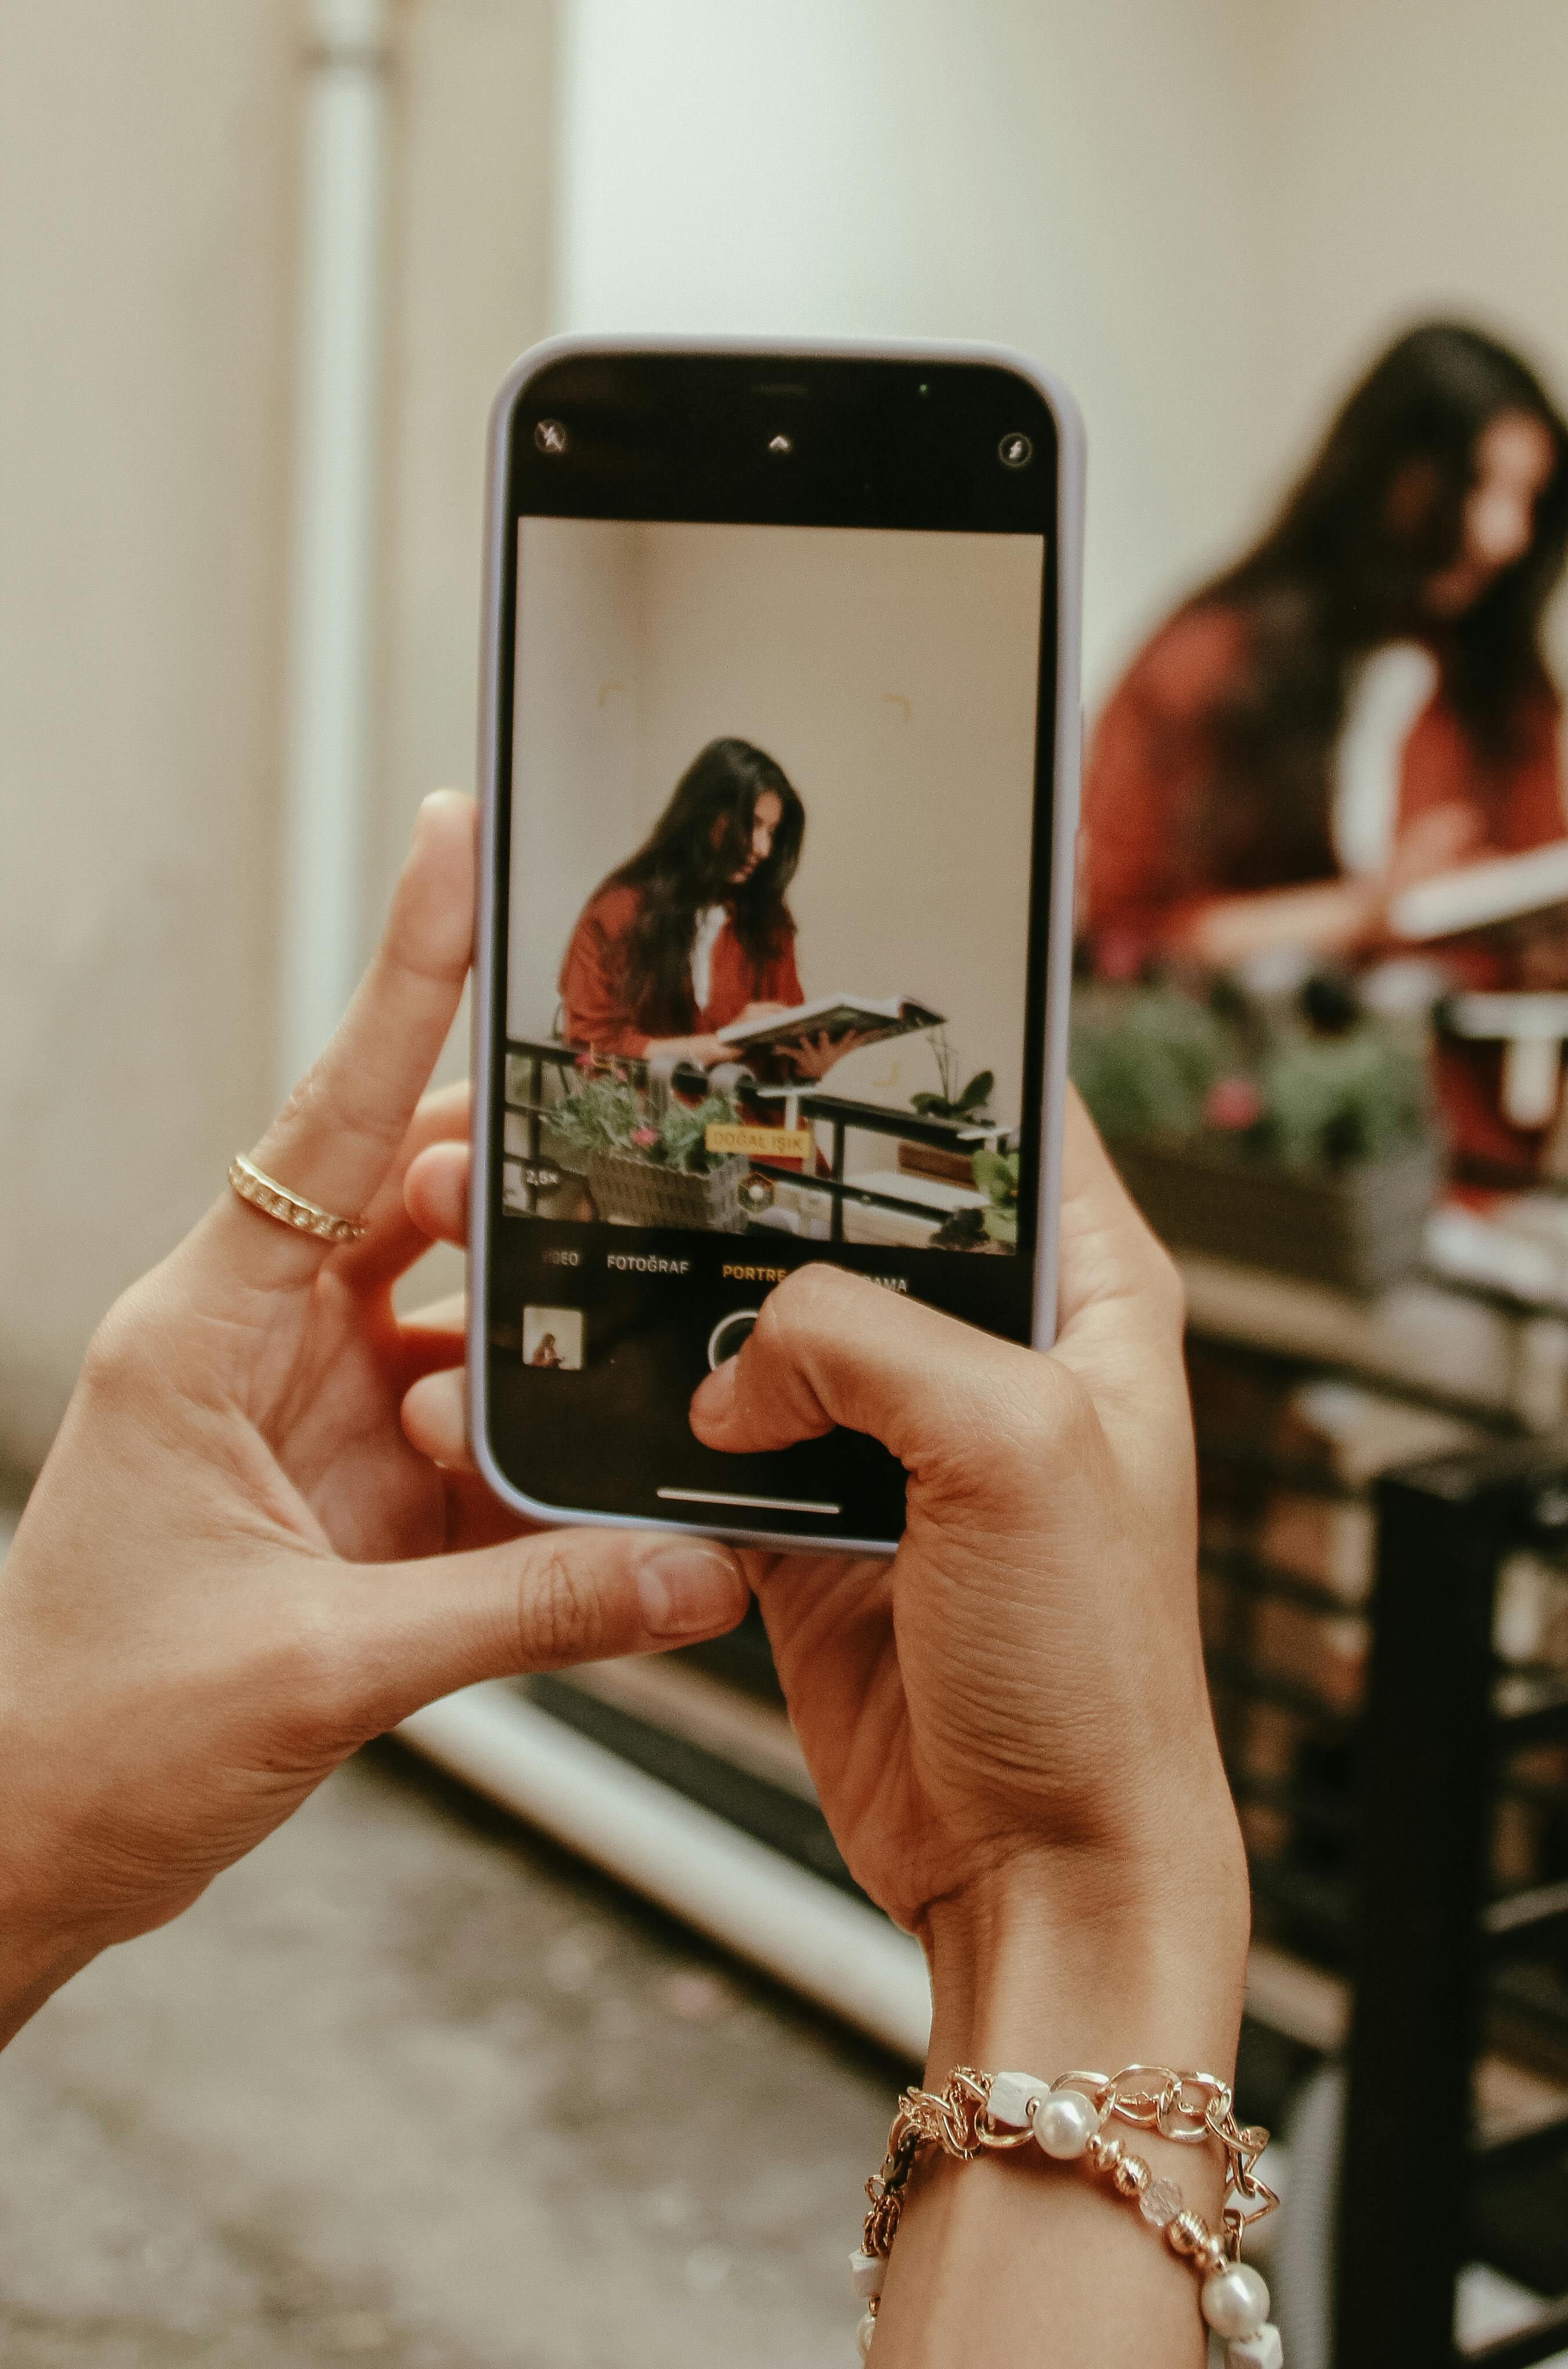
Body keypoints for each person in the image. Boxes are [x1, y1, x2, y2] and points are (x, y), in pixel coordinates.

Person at [0, 794, 1250, 2368]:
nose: (750, 848)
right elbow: (625, 1047)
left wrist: (23, 1826)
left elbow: (774, 1026)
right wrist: (1092, 1889)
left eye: (774, 832)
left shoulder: (757, 914)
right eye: (739, 822)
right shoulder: (625, 912)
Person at [1081, 319, 1568, 1173]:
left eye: (1529, 502)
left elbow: (1548, 892)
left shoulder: (1505, 687)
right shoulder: (1214, 662)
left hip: (1475, 1169)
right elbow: (1120, 935)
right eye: (1477, 488)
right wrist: (1365, 913)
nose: (1505, 536)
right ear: (1386, 474)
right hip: (1249, 1170)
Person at [558, 735, 859, 1087]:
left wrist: (807, 1067)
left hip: (755, 1132)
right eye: (753, 825)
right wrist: (717, 1046)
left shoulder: (768, 920)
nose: (764, 849)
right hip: (658, 1127)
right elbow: (590, 1049)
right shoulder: (619, 909)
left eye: (772, 832)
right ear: (704, 815)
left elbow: (780, 1061)